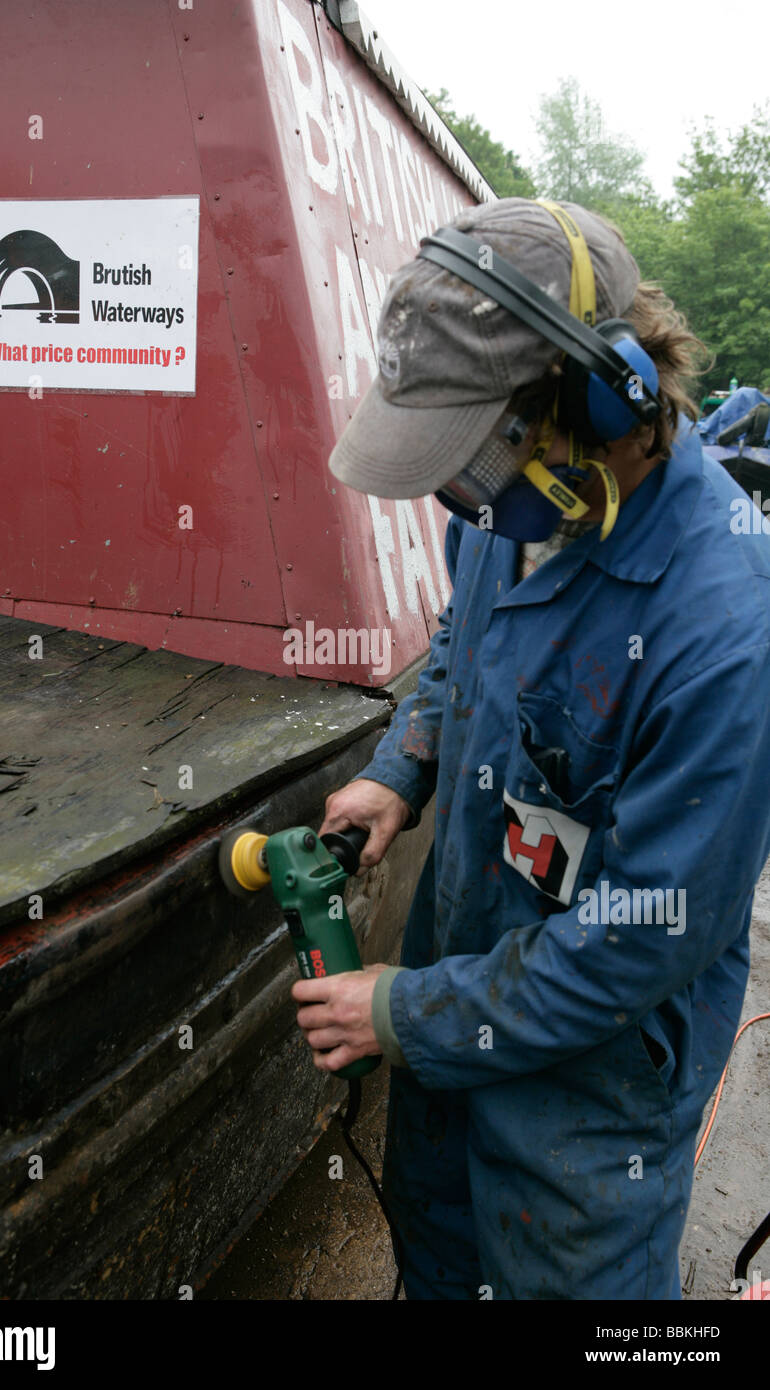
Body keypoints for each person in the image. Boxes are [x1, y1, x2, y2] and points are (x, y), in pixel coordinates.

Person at [291, 198, 770, 1300]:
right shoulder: (509, 510)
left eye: (472, 456)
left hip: (589, 1109)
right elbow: (463, 643)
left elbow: (642, 939)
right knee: (438, 1257)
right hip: (457, 1005)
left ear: (602, 396)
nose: (458, 494)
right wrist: (398, 768)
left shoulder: (726, 633)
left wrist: (403, 1012)